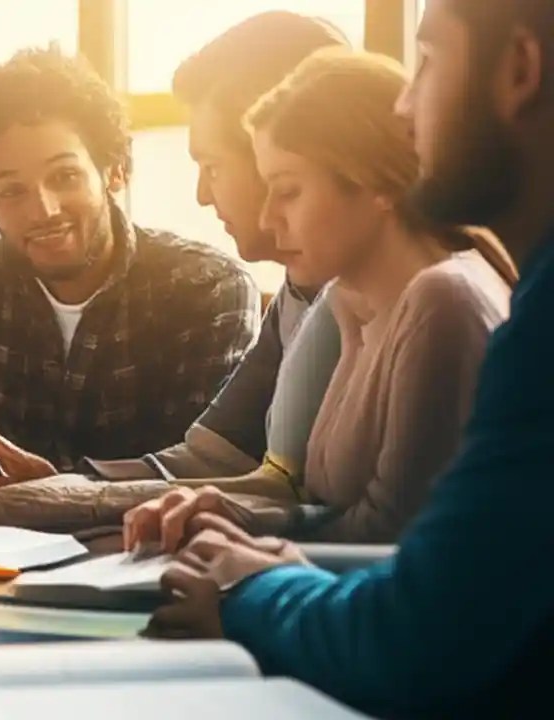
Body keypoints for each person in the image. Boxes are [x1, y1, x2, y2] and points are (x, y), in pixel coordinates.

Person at [141, 1, 554, 716]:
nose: (402, 104)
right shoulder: (346, 304)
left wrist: (256, 585)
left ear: (518, 70)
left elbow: (424, 632)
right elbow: (435, 579)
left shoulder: (498, 319)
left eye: (426, 62)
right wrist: (266, 556)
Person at [0, 14, 349, 529]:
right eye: (12, 190)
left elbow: (270, 494)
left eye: (212, 165)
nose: (43, 210)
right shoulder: (300, 295)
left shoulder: (223, 288)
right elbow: (211, 464)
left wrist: (31, 496)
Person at [126, 48, 515, 549]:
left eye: (287, 191)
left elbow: (391, 540)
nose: (267, 218)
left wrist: (244, 549)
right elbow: (320, 502)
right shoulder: (349, 300)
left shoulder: (443, 301)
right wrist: (234, 519)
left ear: (375, 184)